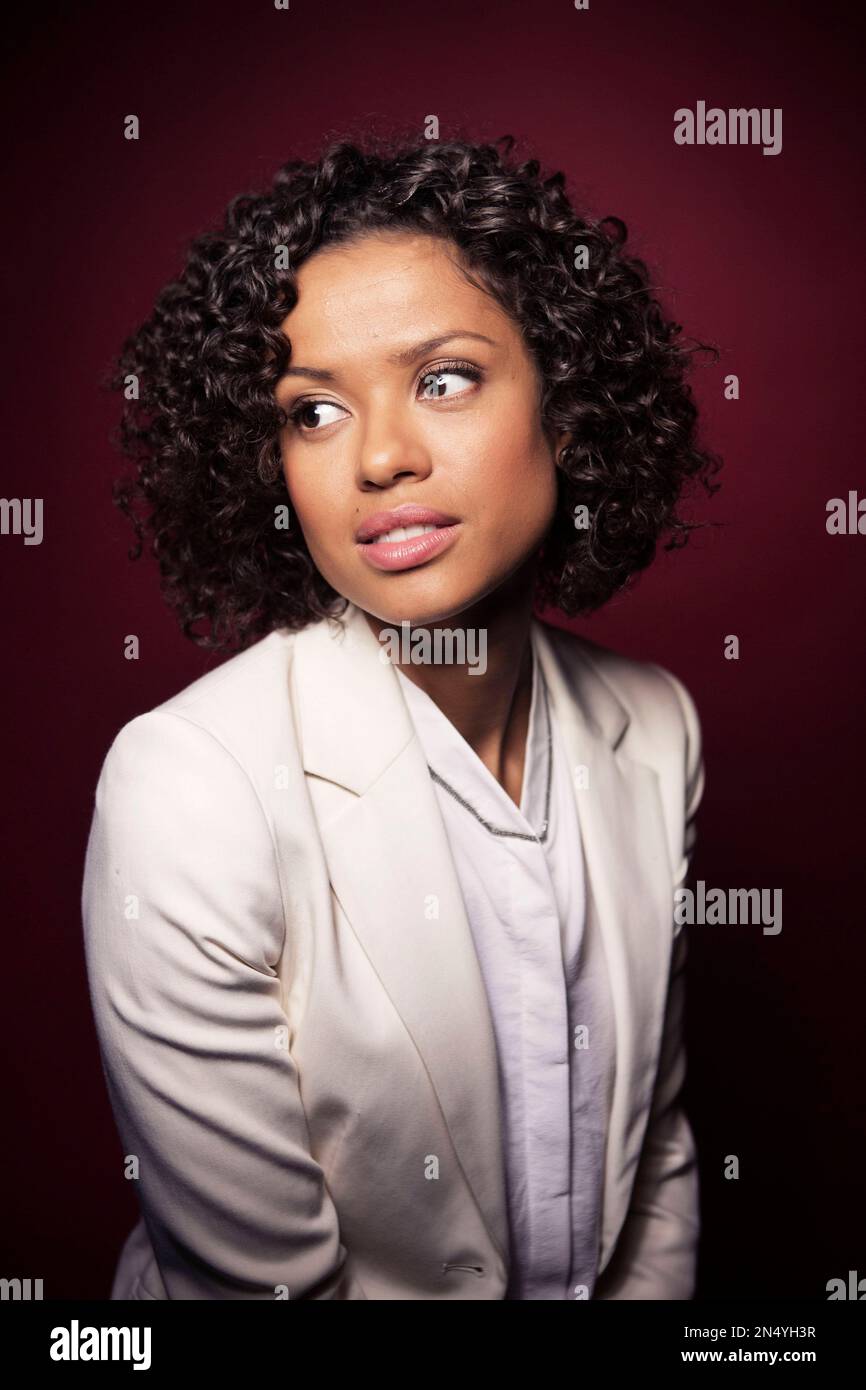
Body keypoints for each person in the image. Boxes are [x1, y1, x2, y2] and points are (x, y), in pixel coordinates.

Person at [82, 133, 720, 1300]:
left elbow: (657, 1151)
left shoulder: (653, 725)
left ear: (565, 408)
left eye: (443, 380)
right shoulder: (189, 785)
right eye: (312, 412)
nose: (378, 456)